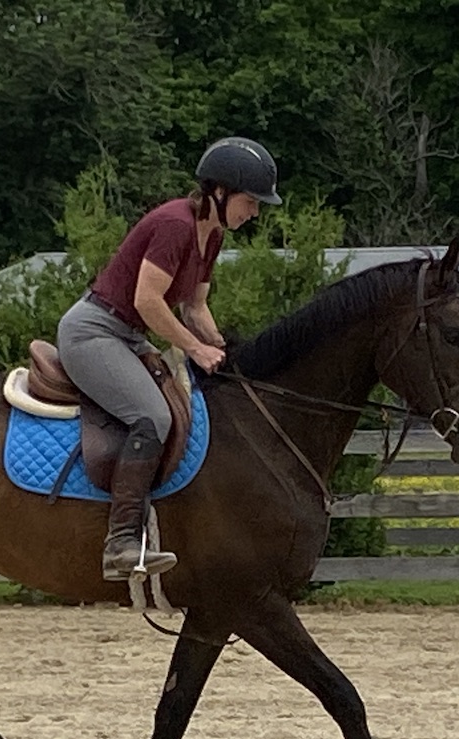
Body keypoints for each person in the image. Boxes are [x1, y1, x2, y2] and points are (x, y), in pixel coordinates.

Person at [56, 136, 282, 582]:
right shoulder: (176, 224)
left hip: (127, 335)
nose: (255, 212)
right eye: (251, 201)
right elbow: (148, 301)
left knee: (186, 404)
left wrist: (223, 349)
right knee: (153, 416)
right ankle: (121, 542)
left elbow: (195, 308)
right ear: (220, 192)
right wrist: (195, 348)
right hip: (93, 332)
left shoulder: (212, 236)